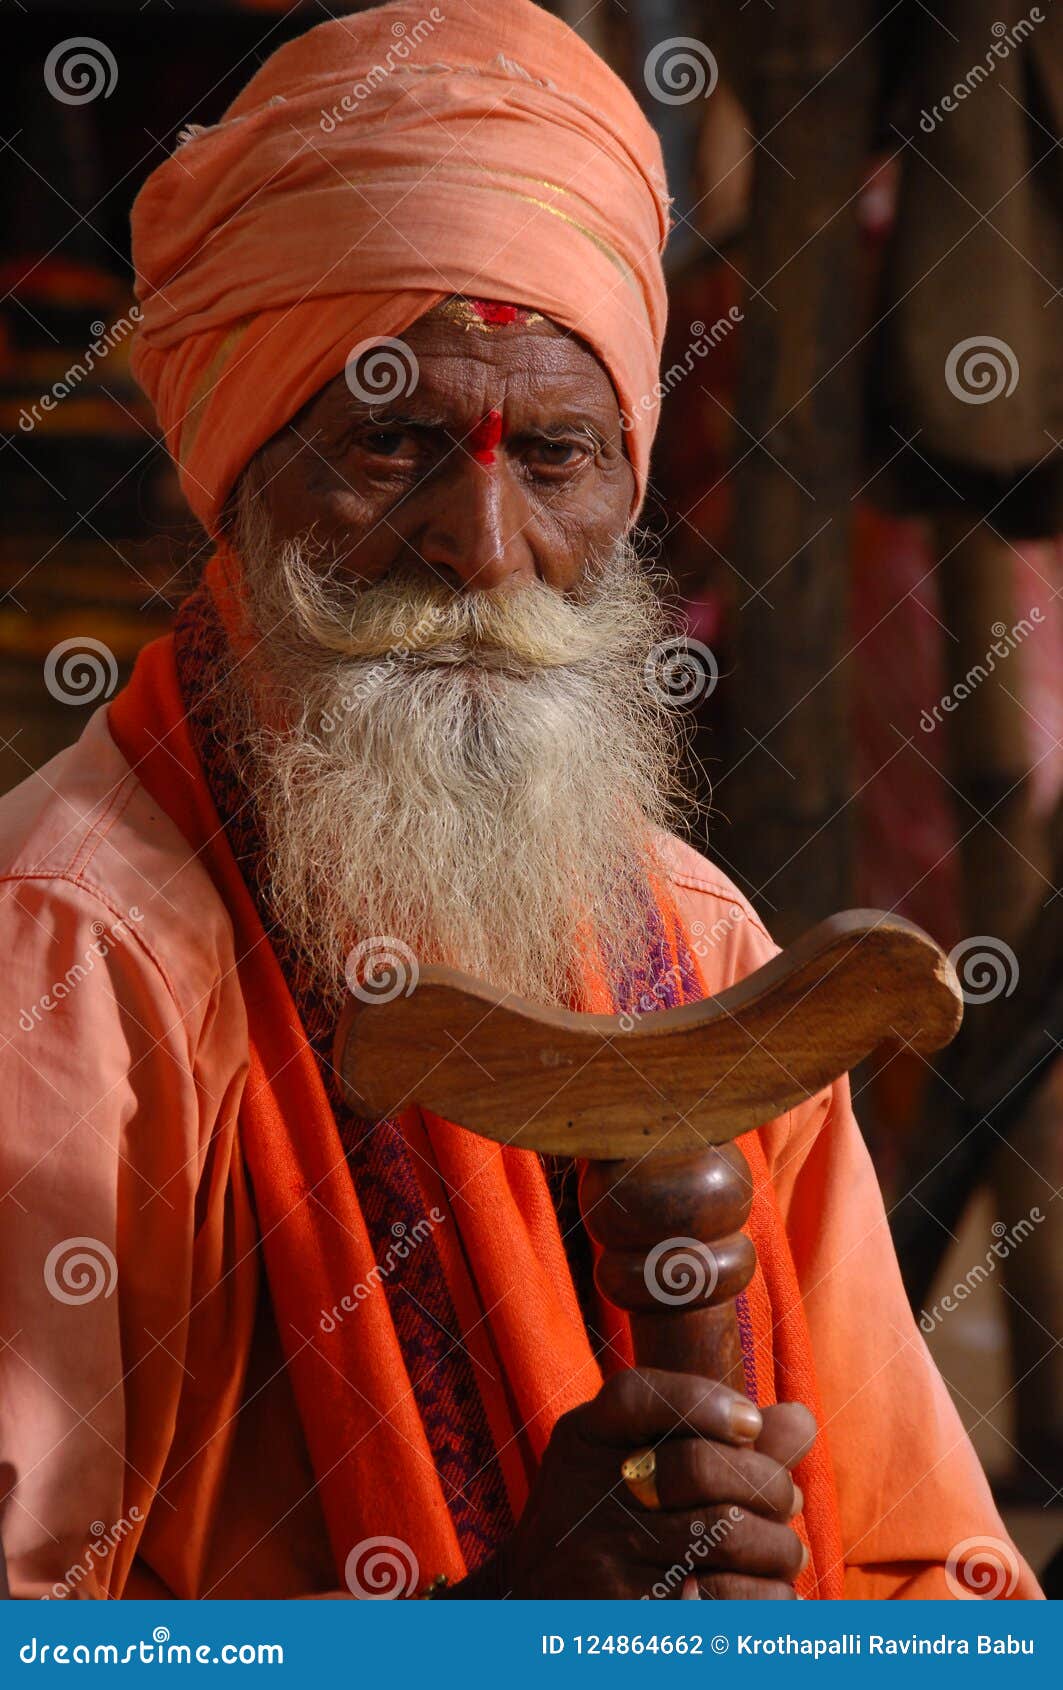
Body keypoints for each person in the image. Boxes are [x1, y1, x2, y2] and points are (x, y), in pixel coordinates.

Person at [0, 0, 1039, 1602]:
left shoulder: (700, 947)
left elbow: (934, 1576)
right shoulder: (70, 965)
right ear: (239, 460)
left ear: (628, 484)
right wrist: (502, 1625)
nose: (480, 546)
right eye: (395, 440)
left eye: (550, 453)